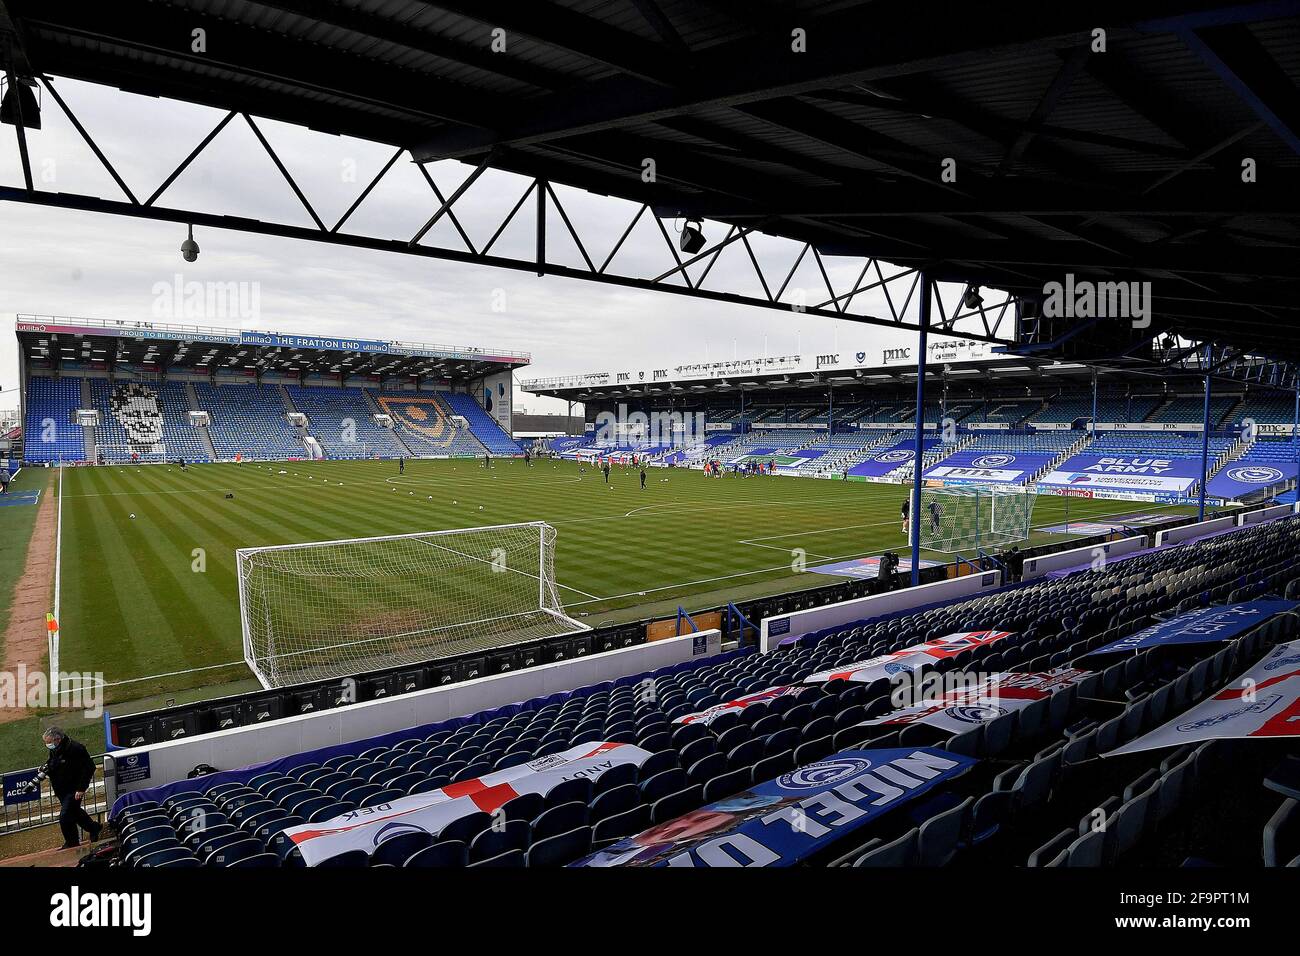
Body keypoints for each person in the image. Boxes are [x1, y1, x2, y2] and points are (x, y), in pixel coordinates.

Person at [38, 727, 101, 849]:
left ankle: (72, 842)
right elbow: (53, 761)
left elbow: (89, 768)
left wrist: (81, 788)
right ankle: (94, 828)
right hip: (61, 789)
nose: (47, 745)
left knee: (65, 816)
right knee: (75, 812)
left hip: (74, 789)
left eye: (49, 742)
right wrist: (45, 768)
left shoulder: (76, 748)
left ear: (58, 739)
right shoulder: (57, 749)